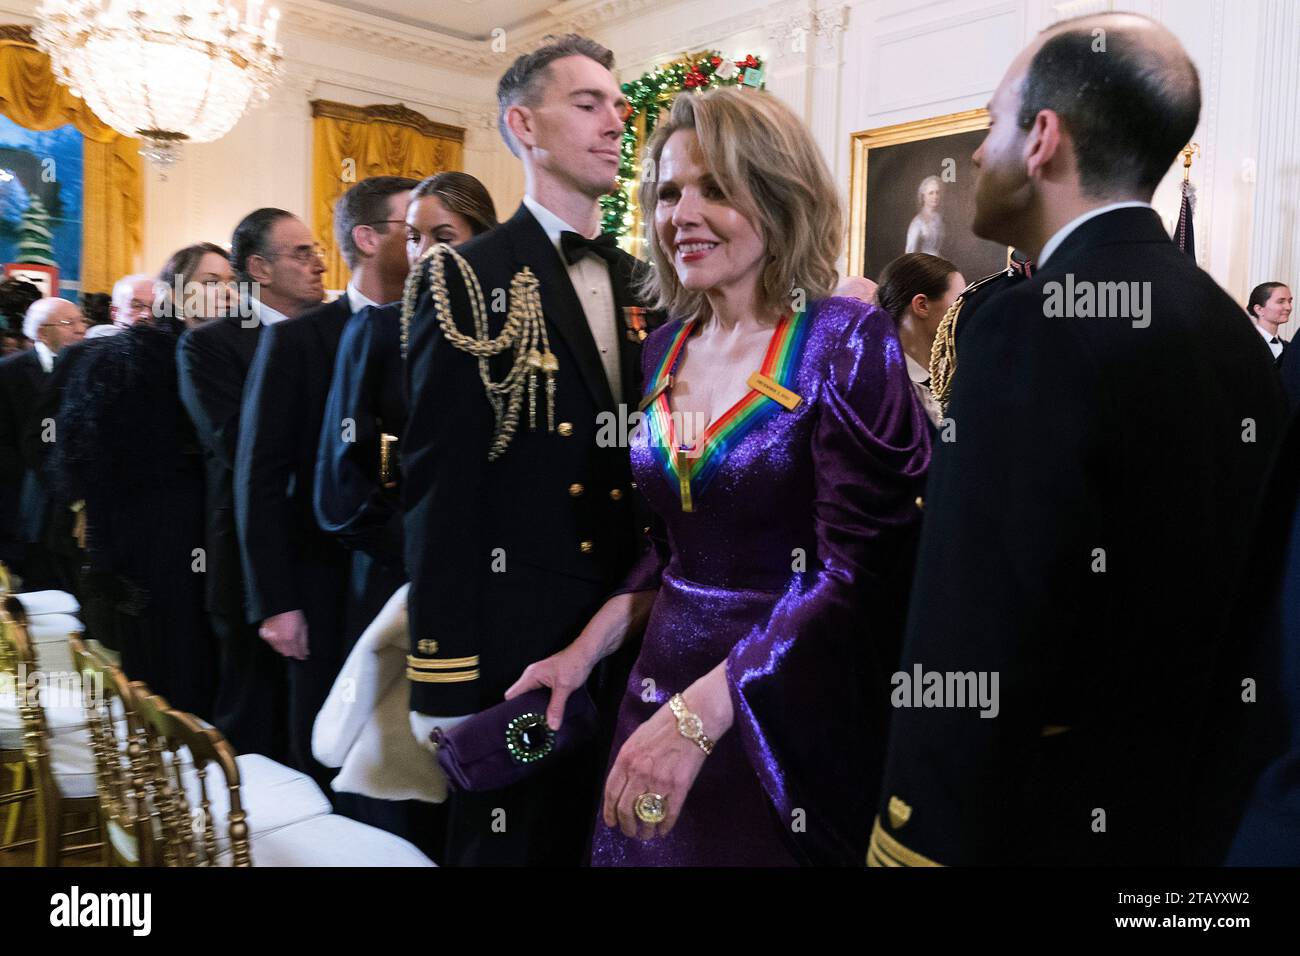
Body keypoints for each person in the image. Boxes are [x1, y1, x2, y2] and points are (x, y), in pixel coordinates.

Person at [869, 12, 1287, 867]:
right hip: (1187, 823)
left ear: (1043, 139)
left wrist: (914, 836)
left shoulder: (1029, 324)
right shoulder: (1231, 331)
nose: (978, 153)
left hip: (1033, 824)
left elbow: (971, 625)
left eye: (991, 124)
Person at [510, 86, 930, 867]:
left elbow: (860, 570)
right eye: (669, 192)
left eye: (717, 189)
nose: (682, 215)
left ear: (779, 200)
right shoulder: (664, 347)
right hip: (655, 686)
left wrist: (701, 715)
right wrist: (587, 649)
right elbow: (670, 553)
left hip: (784, 707)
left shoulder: (844, 338)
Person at [400, 34, 657, 866]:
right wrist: (443, 672)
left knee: (607, 838)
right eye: (588, 104)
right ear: (525, 125)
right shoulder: (464, 280)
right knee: (508, 845)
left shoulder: (645, 285)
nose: (617, 121)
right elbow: (440, 486)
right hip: (515, 645)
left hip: (626, 633)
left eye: (618, 105)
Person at [235, 178, 414, 793]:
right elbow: (259, 476)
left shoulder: (441, 335)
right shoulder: (299, 339)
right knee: (321, 745)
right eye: (409, 228)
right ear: (367, 238)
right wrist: (275, 602)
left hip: (404, 579)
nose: (423, 244)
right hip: (319, 581)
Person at [51, 265, 217, 715]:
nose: (224, 292)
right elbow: (86, 453)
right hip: (153, 543)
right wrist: (87, 514)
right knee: (165, 679)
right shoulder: (128, 356)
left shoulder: (225, 349)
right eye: (210, 281)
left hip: (204, 542)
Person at [177, 218, 298, 762]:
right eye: (303, 252)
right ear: (261, 268)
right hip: (244, 551)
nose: (319, 263)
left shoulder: (326, 330)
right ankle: (238, 834)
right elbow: (234, 442)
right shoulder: (209, 345)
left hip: (321, 549)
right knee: (249, 707)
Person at [0, 297, 85, 591]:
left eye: (81, 321)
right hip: (24, 493)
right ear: (40, 333)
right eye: (68, 323)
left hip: (69, 495)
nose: (79, 330)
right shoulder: (9, 372)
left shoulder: (86, 366)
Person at [874, 253, 965, 426]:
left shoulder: (954, 380)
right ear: (922, 305)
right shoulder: (883, 385)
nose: (964, 311)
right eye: (958, 301)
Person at [85, 275, 155, 339]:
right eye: (137, 306)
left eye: (153, 307)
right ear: (114, 312)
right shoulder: (98, 343)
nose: (148, 314)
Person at [1246, 281, 1291, 367]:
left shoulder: (1290, 348)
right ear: (1259, 309)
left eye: (1289, 301)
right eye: (1281, 302)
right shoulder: (1245, 344)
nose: (1288, 307)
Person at [905, 175, 944, 255]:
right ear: (923, 196)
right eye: (931, 193)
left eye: (937, 192)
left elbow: (937, 247)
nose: (935, 196)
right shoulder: (917, 223)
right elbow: (909, 253)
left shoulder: (938, 218)